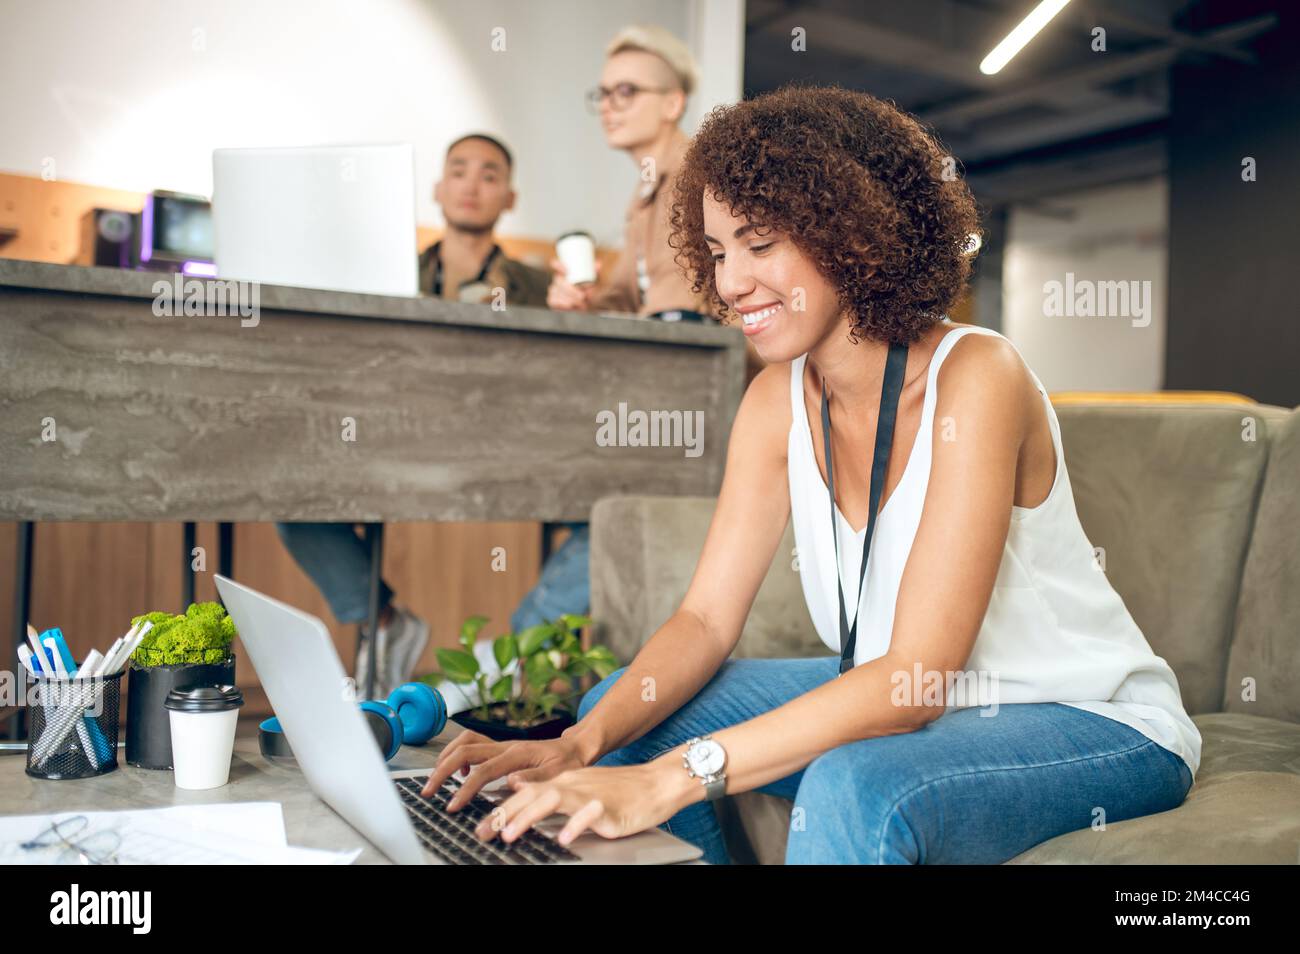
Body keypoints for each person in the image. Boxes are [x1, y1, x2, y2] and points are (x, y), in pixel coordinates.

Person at [421, 86, 1202, 865]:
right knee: (623, 712)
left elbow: (918, 679)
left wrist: (671, 781)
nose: (730, 285)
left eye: (760, 245)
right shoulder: (775, 401)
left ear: (852, 232)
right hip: (915, 701)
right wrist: (579, 743)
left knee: (853, 784)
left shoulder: (979, 376)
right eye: (719, 252)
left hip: (1088, 720)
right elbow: (704, 622)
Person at [276, 133, 585, 700]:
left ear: (509, 198)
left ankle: (517, 649)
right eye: (459, 171)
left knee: (604, 516)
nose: (472, 185)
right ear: (438, 189)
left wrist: (577, 310)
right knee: (292, 501)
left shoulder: (539, 286)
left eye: (489, 174)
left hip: (506, 450)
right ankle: (387, 623)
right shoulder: (385, 273)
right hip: (395, 445)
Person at [547, 24, 765, 384]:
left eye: (626, 92)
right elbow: (631, 300)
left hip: (720, 381)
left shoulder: (697, 177)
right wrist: (583, 302)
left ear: (673, 103)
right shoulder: (647, 190)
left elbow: (675, 310)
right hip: (679, 370)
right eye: (602, 94)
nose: (607, 107)